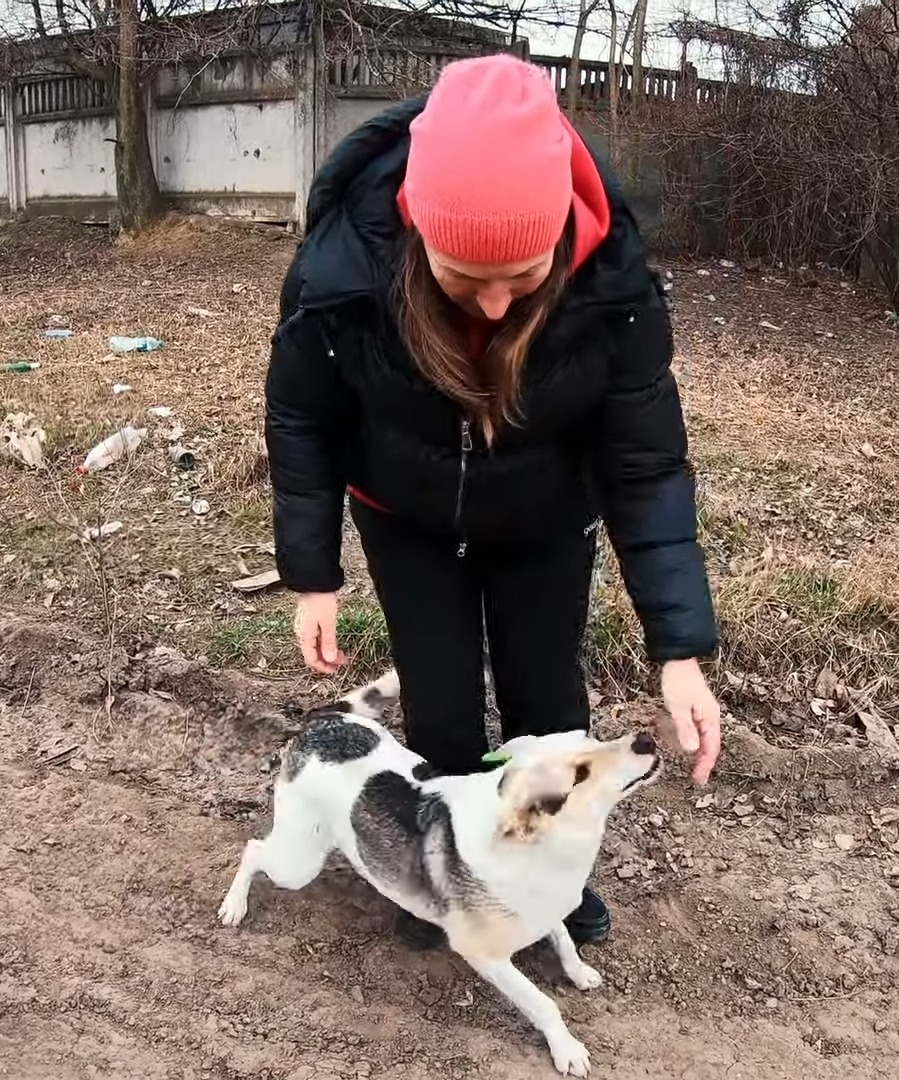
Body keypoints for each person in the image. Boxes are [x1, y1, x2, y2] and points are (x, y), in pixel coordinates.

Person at [264, 54, 722, 949]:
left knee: (548, 703)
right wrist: (312, 575)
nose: (500, 299)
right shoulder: (345, 270)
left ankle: (545, 884)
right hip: (405, 518)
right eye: (466, 275)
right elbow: (301, 419)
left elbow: (646, 466)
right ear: (415, 229)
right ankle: (441, 881)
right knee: (437, 707)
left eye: (523, 269)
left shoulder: (612, 288)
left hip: (545, 520)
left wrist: (680, 649)